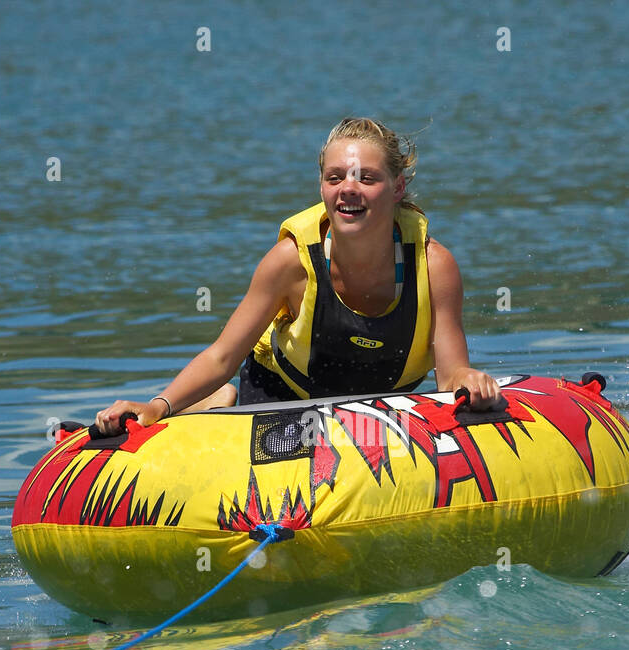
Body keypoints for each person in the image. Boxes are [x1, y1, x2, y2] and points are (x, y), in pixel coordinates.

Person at [94, 117, 502, 436]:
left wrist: (470, 379)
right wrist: (158, 406)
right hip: (283, 399)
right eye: (335, 177)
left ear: (397, 188)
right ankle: (215, 404)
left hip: (377, 412)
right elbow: (222, 356)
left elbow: (450, 376)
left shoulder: (433, 266)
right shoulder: (290, 262)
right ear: (322, 187)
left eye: (368, 178)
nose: (349, 189)